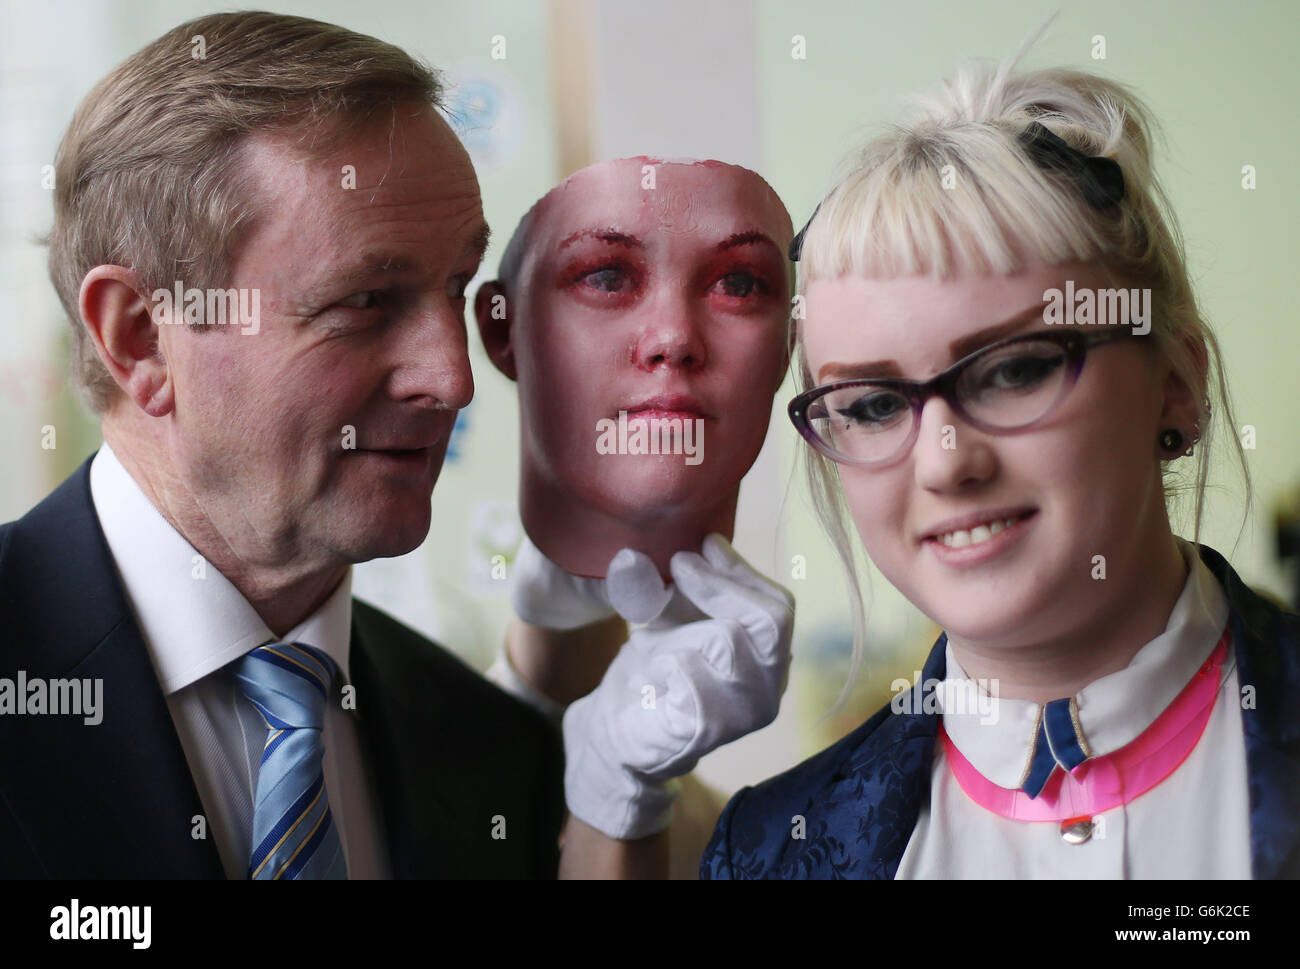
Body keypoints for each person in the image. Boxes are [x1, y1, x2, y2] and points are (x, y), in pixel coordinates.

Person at [701, 49, 1300, 879]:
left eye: (1015, 369)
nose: (947, 463)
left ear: (1177, 383)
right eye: (874, 402)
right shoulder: (765, 852)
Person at [0, 12, 563, 879]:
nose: (451, 378)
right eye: (368, 302)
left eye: (456, 288)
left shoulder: (496, 750)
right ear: (143, 338)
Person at [473, 158, 797, 877]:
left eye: (739, 283)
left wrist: (622, 798)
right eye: (606, 277)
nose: (672, 337)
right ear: (503, 333)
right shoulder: (371, 710)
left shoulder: (772, 840)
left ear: (786, 350)